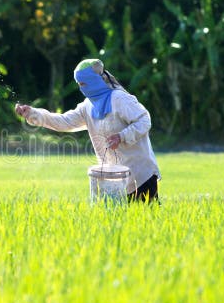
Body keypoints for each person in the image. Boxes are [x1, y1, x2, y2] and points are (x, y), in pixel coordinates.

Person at [15, 59, 161, 203]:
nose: (81, 88)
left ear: (95, 81)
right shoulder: (87, 106)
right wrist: (32, 113)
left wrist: (121, 136)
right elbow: (64, 122)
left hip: (141, 173)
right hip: (115, 177)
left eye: (83, 83)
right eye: (78, 84)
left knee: (147, 218)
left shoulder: (119, 98)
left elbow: (144, 120)